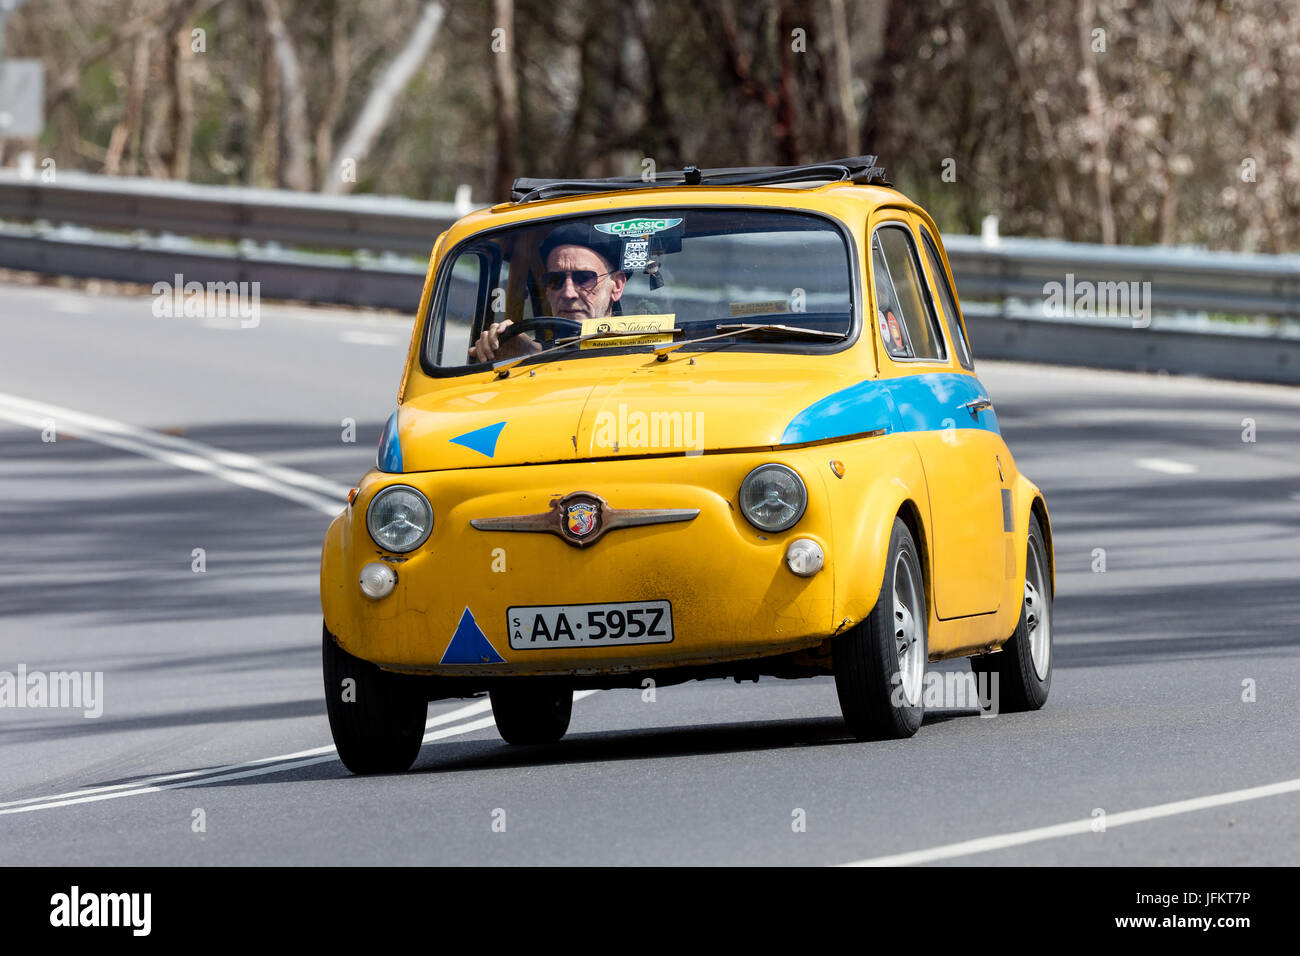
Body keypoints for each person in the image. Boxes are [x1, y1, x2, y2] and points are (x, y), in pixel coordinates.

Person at [468, 223, 628, 362]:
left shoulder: (646, 348)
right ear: (548, 291)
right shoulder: (532, 354)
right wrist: (494, 346)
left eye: (584, 278)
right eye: (555, 280)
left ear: (617, 286)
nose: (568, 293)